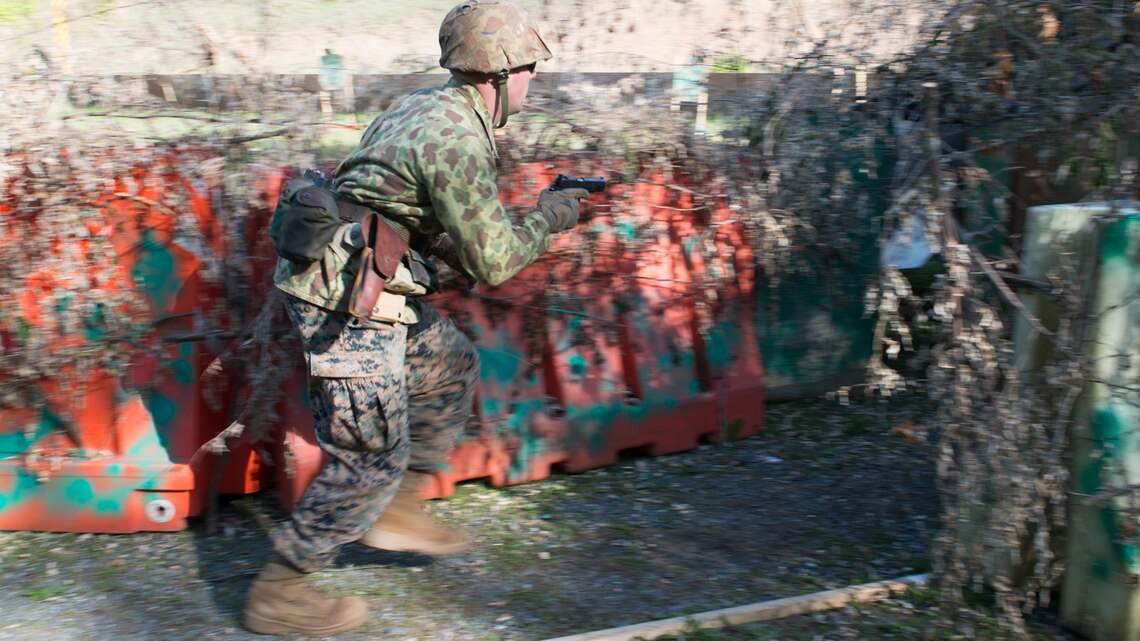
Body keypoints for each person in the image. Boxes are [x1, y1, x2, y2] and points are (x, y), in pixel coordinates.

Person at [241, 0, 590, 636]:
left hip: (358, 280)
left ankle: (398, 509)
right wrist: (553, 216)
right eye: (529, 69)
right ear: (498, 74)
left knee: (448, 362)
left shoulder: (422, 107)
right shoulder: (457, 137)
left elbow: (422, 217)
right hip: (344, 302)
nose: (533, 80)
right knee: (366, 456)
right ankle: (281, 591)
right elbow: (494, 262)